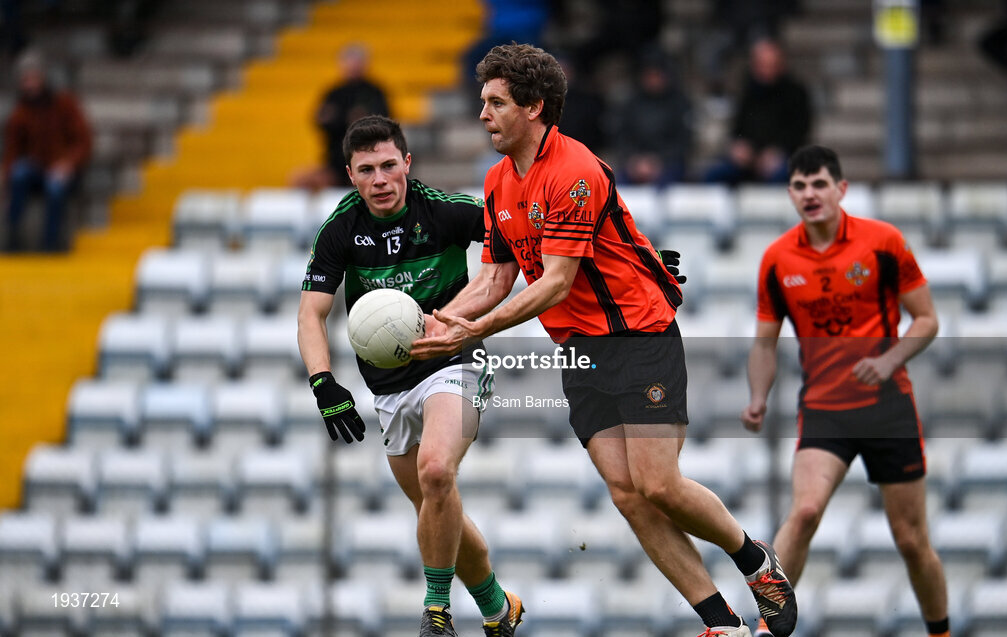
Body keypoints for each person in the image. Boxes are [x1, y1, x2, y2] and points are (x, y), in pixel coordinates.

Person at [412, 43, 797, 637]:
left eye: (495, 102)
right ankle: (721, 624)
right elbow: (495, 277)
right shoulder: (495, 181)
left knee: (657, 483)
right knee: (627, 495)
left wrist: (476, 330)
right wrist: (439, 322)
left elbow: (558, 282)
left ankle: (753, 559)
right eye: (482, 101)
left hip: (638, 334)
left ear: (535, 107)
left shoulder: (574, 171)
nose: (482, 113)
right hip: (581, 351)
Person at [297, 115, 523, 637]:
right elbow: (312, 314)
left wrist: (625, 258)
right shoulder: (341, 229)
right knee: (435, 508)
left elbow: (531, 239)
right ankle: (496, 606)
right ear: (350, 175)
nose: (380, 179)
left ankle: (437, 612)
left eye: (389, 166)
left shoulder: (447, 212)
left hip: (455, 360)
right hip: (389, 386)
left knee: (438, 472)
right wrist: (324, 383)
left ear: (408, 164)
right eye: (367, 170)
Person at [740, 145, 950, 637]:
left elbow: (928, 319)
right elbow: (764, 345)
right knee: (806, 511)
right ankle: (769, 629)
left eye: (818, 184)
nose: (809, 194)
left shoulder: (883, 242)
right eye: (799, 186)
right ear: (789, 194)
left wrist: (888, 360)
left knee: (912, 540)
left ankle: (940, 632)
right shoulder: (777, 258)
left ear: (841, 190)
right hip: (824, 410)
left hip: (888, 407)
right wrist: (757, 396)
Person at [2, 51, 91, 252]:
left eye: (33, 78)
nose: (30, 84)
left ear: (43, 78)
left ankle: (50, 245)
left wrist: (68, 164)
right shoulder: (20, 113)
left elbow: (83, 141)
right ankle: (13, 237)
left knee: (55, 186)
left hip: (62, 168)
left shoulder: (65, 104)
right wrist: (6, 178)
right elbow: (12, 152)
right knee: (19, 174)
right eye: (25, 79)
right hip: (36, 169)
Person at [704, 38, 811, 185]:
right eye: (762, 65)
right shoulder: (747, 91)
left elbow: (799, 133)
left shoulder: (796, 93)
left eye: (771, 65)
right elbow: (737, 129)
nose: (766, 70)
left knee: (781, 177)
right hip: (748, 160)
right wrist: (738, 147)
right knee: (714, 175)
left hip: (782, 159)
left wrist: (777, 151)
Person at [290, 44, 390, 190]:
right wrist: (349, 119)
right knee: (300, 180)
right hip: (335, 163)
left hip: (368, 163)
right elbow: (322, 119)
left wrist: (340, 119)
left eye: (356, 61)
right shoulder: (334, 92)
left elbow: (383, 125)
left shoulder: (375, 92)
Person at [610, 48, 692, 186]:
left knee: (664, 190)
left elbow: (683, 141)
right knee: (614, 186)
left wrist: (658, 161)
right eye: (649, 75)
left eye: (657, 75)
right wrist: (634, 160)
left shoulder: (680, 103)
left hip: (668, 164)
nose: (653, 79)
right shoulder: (631, 103)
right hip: (635, 163)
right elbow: (622, 136)